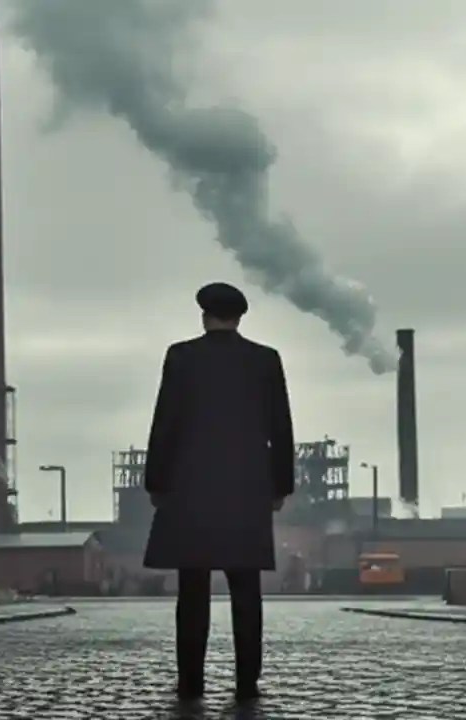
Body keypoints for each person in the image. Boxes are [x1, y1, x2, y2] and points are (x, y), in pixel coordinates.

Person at [142, 282, 295, 703]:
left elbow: (164, 423)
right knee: (246, 592)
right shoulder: (265, 359)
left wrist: (156, 482)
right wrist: (280, 486)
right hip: (247, 491)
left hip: (190, 489)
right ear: (240, 317)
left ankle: (191, 682)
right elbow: (281, 428)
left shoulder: (181, 357)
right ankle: (247, 683)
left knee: (192, 591)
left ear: (204, 315)